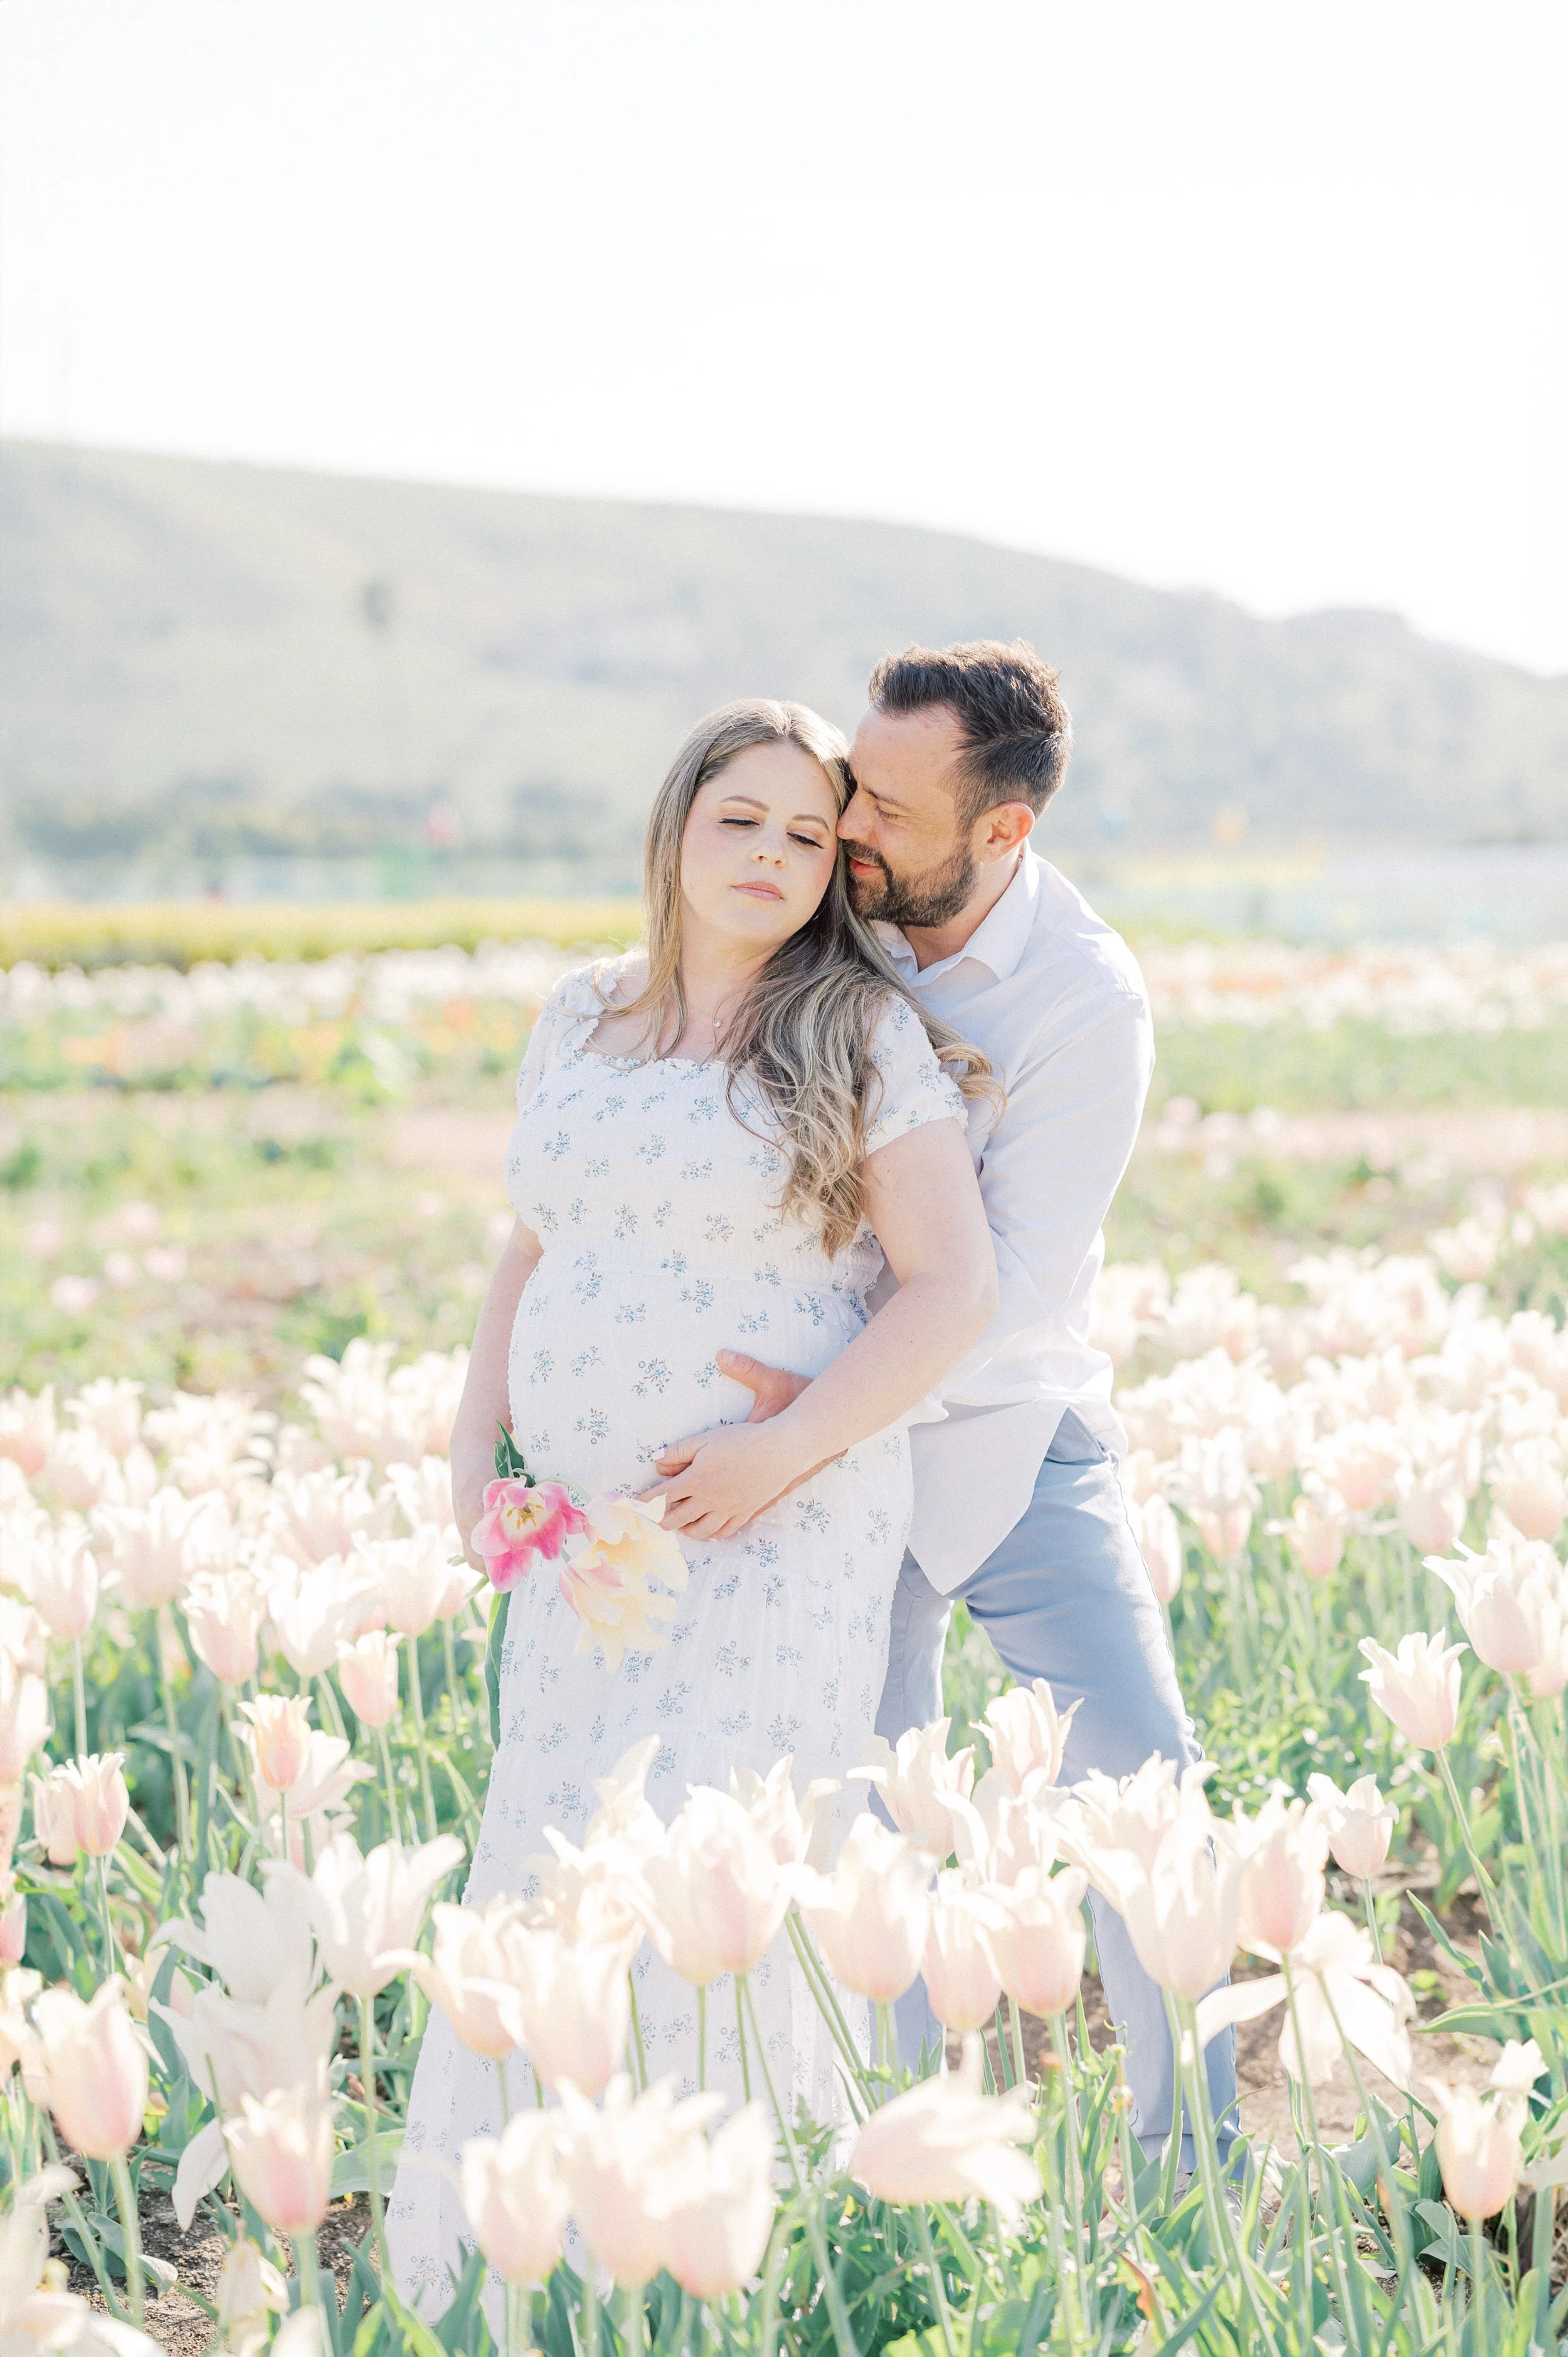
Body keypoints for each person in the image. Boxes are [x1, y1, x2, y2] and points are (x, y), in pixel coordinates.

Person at [388, 698, 998, 2312]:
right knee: (551, 1854)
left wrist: (774, 1458)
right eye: (741, 818)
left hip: (771, 1531)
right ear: (675, 826)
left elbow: (950, 1291)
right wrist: (475, 1458)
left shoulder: (851, 1033)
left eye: (809, 834)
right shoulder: (578, 1013)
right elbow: (535, 1245)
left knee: (712, 1871)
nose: (774, 856)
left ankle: (715, 2263)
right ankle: (524, 2254)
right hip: (579, 1547)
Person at [654, 641, 1237, 2168]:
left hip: (1000, 1426)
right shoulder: (822, 904)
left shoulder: (1081, 999)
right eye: (853, 784)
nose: (845, 828)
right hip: (809, 1440)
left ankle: (1195, 2157)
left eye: (887, 812)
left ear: (1003, 834)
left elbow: (1023, 1285)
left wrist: (828, 1403)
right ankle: (892, 2149)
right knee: (862, 1811)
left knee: (1143, 1788)